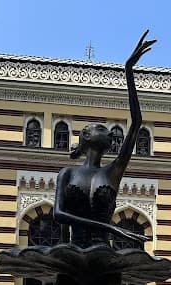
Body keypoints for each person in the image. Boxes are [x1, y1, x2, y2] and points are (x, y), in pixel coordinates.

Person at [53, 32, 154, 248]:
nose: (109, 133)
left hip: (103, 254)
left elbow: (136, 123)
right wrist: (110, 228)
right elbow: (58, 214)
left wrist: (128, 71)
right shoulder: (68, 173)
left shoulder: (112, 171)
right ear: (86, 136)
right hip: (73, 253)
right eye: (102, 129)